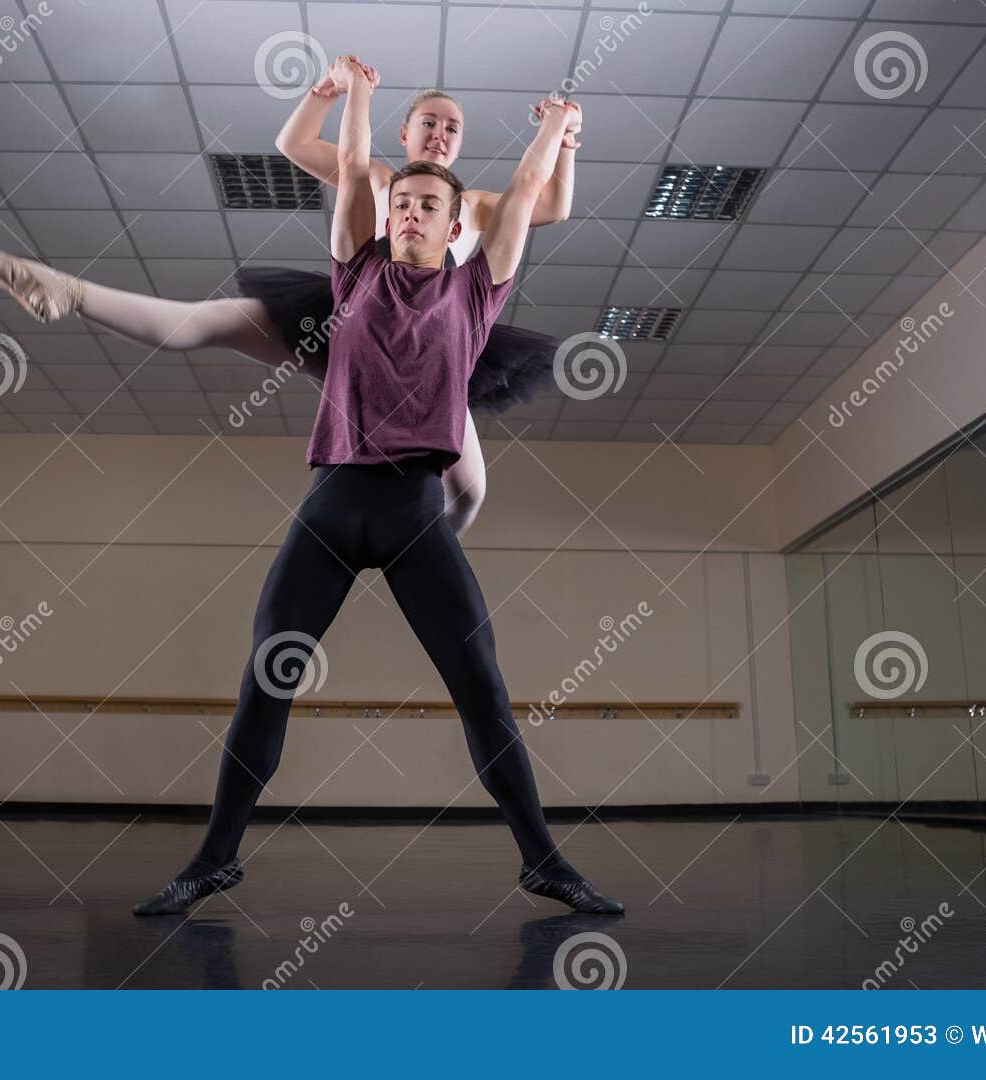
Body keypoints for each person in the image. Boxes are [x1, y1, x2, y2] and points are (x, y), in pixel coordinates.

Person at [131, 55, 621, 919]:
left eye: (428, 205)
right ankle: (213, 859)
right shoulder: (354, 275)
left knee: (481, 687)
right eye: (402, 203)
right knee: (265, 680)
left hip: (413, 516)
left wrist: (556, 124)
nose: (410, 211)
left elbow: (530, 188)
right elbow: (355, 166)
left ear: (452, 222)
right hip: (332, 508)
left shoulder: (476, 296)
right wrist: (355, 93)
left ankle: (543, 860)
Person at [0, 58, 581, 536]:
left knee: (471, 490)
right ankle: (71, 292)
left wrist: (569, 145)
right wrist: (329, 91)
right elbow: (294, 144)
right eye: (430, 122)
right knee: (209, 322)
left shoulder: (471, 204)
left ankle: (427, 547)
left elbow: (548, 203)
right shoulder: (369, 175)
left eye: (453, 127)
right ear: (405, 131)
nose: (442, 134)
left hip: (431, 355)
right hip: (349, 324)